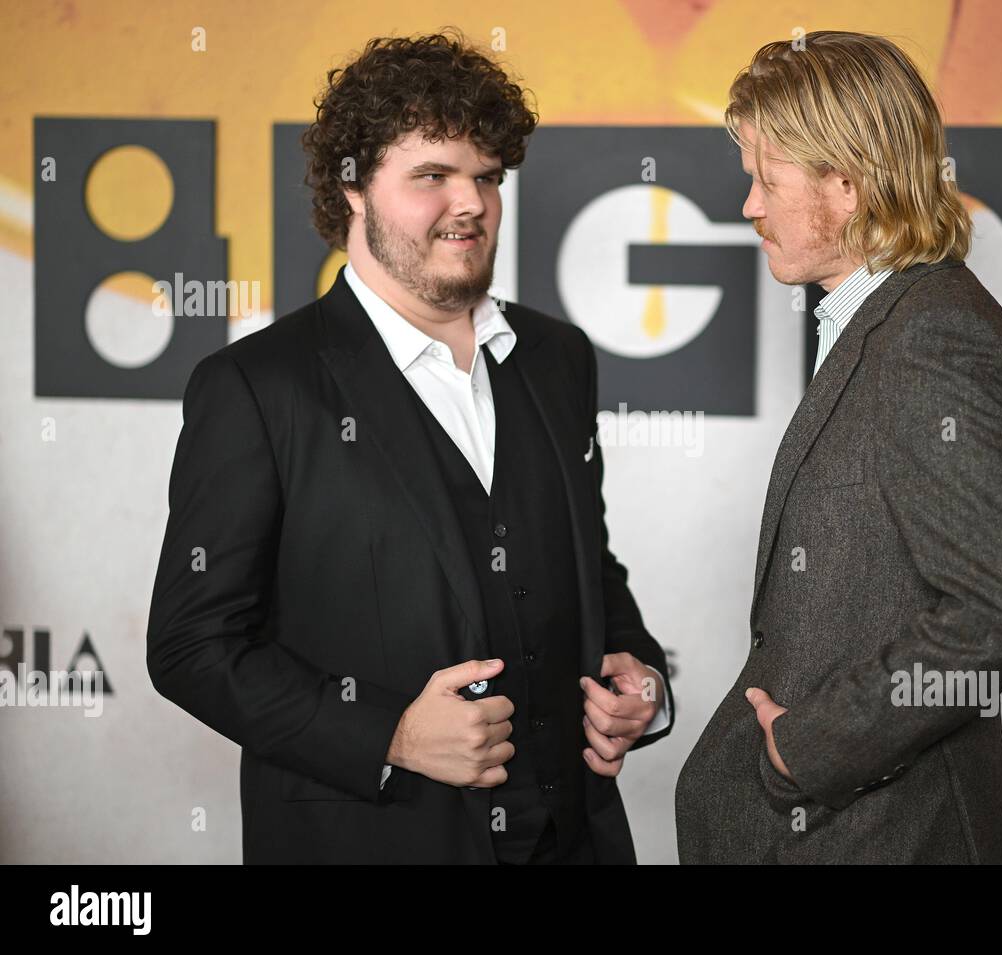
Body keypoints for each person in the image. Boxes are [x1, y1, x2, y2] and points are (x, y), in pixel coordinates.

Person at [147, 31, 673, 865]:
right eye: (432, 175)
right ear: (353, 186)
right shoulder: (259, 386)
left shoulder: (555, 359)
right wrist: (388, 733)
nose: (471, 203)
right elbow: (191, 647)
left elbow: (588, 570)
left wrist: (640, 678)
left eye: (487, 177)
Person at [675, 31, 1002, 864]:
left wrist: (808, 747)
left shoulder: (933, 339)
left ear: (845, 186)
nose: (749, 207)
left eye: (765, 181)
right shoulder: (885, 323)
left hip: (892, 834)